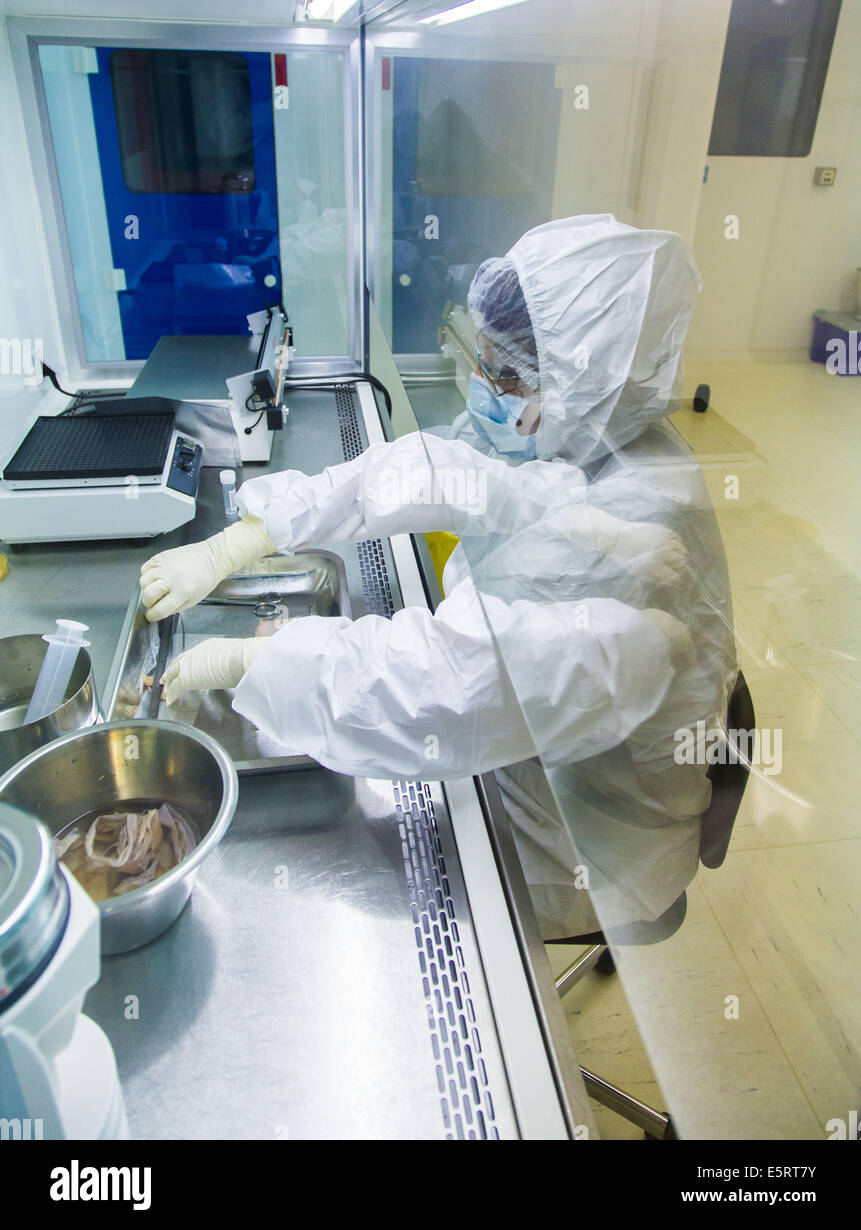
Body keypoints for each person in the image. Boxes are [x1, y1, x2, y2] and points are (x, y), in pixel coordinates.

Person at [140, 214, 737, 938]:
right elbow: (438, 467)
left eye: (506, 373)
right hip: (538, 752)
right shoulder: (580, 433)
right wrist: (255, 533)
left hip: (583, 848)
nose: (485, 388)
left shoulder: (636, 517)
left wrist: (257, 659)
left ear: (586, 382)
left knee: (336, 896)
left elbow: (444, 686)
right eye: (480, 359)